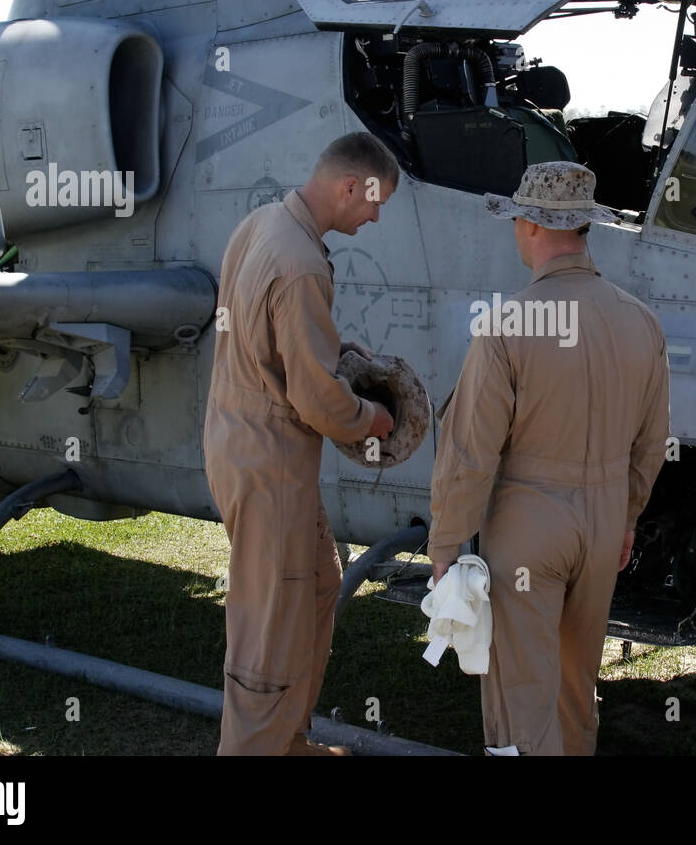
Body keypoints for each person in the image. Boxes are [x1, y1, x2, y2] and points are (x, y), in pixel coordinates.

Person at [427, 161, 671, 756]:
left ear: (531, 226)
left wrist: (444, 548)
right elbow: (650, 442)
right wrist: (627, 519)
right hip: (604, 519)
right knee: (574, 686)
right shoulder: (641, 322)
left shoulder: (505, 327)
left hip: (527, 521)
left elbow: (469, 455)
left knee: (520, 695)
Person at [204, 132, 399, 756]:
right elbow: (317, 401)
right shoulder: (302, 262)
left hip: (243, 442)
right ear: (349, 187)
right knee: (271, 626)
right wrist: (374, 417)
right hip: (271, 462)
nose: (375, 217)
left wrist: (337, 354)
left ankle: (285, 739)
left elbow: (270, 341)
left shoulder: (264, 224)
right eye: (374, 203)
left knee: (317, 583)